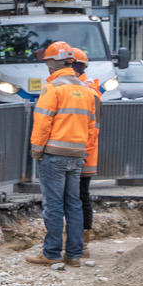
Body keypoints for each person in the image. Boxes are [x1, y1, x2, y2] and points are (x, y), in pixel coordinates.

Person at [26, 41, 98, 269]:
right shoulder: (87, 90)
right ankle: (74, 254)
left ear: (53, 63)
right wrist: (82, 151)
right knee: (73, 204)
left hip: (54, 154)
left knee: (54, 205)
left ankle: (52, 253)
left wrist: (37, 149)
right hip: (77, 155)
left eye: (47, 60)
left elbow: (42, 122)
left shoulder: (53, 88)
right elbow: (90, 127)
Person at [73, 51, 102, 266]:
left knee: (80, 197)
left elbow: (90, 129)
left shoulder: (86, 92)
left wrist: (81, 153)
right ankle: (80, 242)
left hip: (82, 153)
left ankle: (80, 244)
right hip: (84, 152)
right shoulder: (90, 89)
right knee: (81, 196)